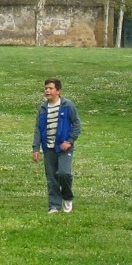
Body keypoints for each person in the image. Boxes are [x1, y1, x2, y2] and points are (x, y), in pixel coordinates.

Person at [31, 77, 81, 214]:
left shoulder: (68, 105)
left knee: (64, 173)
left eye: (50, 88)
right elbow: (38, 129)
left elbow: (77, 125)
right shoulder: (42, 108)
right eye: (46, 88)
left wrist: (69, 141)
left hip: (64, 148)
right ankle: (54, 205)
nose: (47, 91)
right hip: (49, 148)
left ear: (58, 91)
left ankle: (67, 197)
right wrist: (36, 148)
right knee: (52, 178)